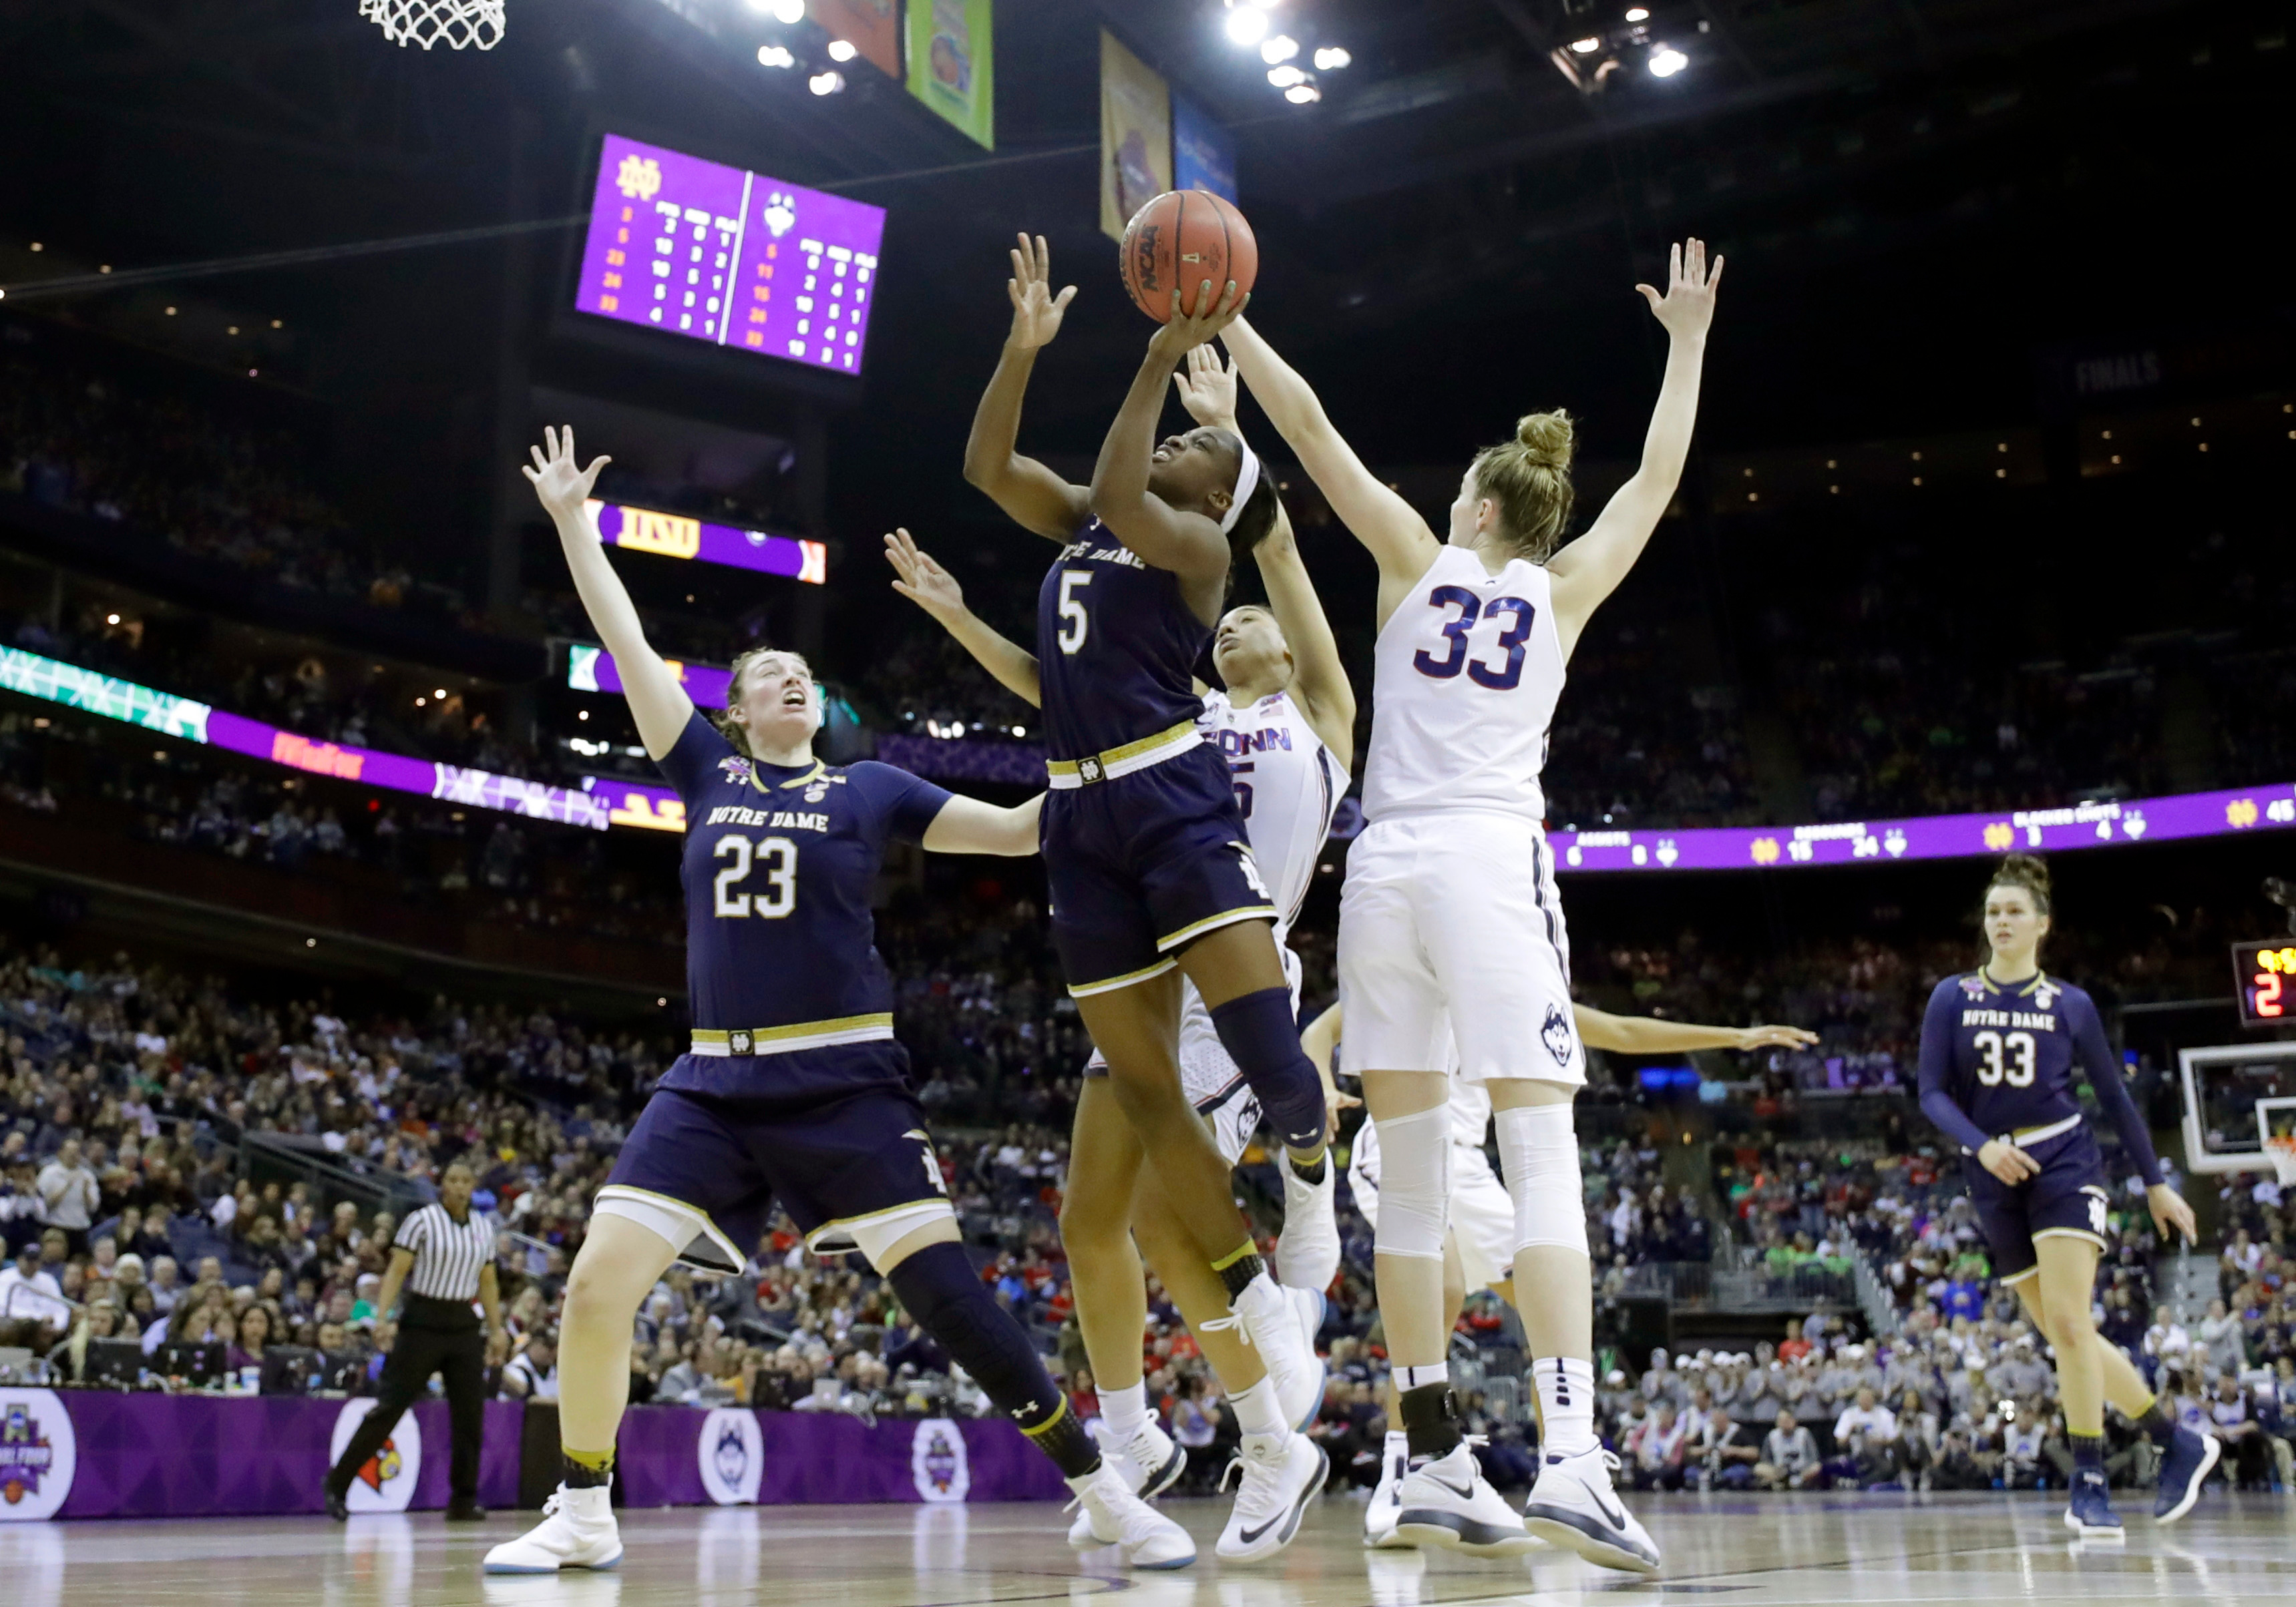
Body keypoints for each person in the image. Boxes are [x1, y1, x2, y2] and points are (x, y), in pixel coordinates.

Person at [484, 427, 1188, 1576]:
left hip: (846, 1081)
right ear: (736, 713)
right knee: (596, 1280)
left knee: (953, 1305)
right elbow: (625, 639)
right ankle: (583, 1509)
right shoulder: (702, 770)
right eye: (767, 677)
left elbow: (1017, 832)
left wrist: (1105, 756)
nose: (791, 677)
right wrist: (573, 524)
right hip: (713, 1081)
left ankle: (1103, 1489)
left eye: (799, 674)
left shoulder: (871, 787)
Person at [1221, 238, 1723, 1576]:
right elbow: (1659, 480)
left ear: (1478, 513)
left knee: (1416, 1181)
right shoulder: (1563, 589)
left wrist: (1241, 319)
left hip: (1383, 872)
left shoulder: (1408, 557)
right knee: (1540, 1140)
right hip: (1493, 865)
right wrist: (1682, 344)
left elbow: (1312, 431)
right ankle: (1568, 1455)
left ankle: (1435, 1445)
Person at [887, 345, 1351, 1558]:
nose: (1243, 624)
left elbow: (1255, 538)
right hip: (1106, 840)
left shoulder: (1299, 693)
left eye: (1194, 457)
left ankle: (1289, 1288)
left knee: (1159, 1198)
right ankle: (1149, 1429)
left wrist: (1186, 392)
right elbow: (1047, 649)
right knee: (1095, 1208)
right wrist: (953, 611)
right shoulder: (1177, 680)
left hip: (1206, 885)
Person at [1304, 997, 1812, 1546]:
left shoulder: (1501, 973)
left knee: (1556, 1313)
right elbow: (1317, 1032)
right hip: (1398, 1145)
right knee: (1442, 1292)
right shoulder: (1408, 956)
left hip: (1469, 1165)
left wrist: (1733, 1036)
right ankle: (1400, 1478)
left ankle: (1564, 1474)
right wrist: (1321, 1088)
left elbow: (1619, 1027)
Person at [1916, 853, 2215, 1537]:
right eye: (1993, 911)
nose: (2001, 921)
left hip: (2063, 1159)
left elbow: (2114, 1097)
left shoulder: (2070, 1004)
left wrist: (2158, 1184)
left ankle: (2090, 1481)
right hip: (1989, 1170)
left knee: (2072, 1323)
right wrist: (1983, 1145)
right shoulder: (1951, 997)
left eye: (2014, 911)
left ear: (2042, 924)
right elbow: (1931, 1091)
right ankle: (2178, 1440)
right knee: (2060, 1331)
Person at [323, 1161, 500, 1522]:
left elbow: (488, 1283)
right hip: (422, 1320)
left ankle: (463, 1500)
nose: (460, 1187)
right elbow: (398, 1270)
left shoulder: (484, 1228)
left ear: (473, 1186)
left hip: (464, 1324)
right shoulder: (422, 1221)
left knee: (471, 1415)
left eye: (467, 1180)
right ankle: (338, 1484)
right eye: (453, 1179)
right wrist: (383, 1317)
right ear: (443, 1185)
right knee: (391, 1406)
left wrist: (497, 1329)